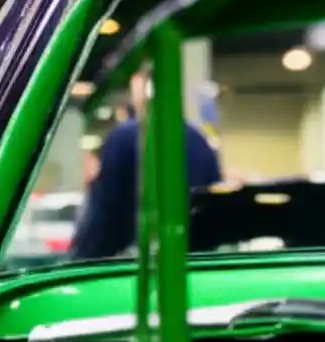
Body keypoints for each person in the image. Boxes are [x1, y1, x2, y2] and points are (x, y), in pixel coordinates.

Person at [70, 71, 223, 260]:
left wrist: (81, 259)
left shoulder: (126, 138)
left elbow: (104, 216)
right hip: (193, 265)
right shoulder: (199, 142)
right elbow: (215, 210)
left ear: (143, 87)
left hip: (136, 267)